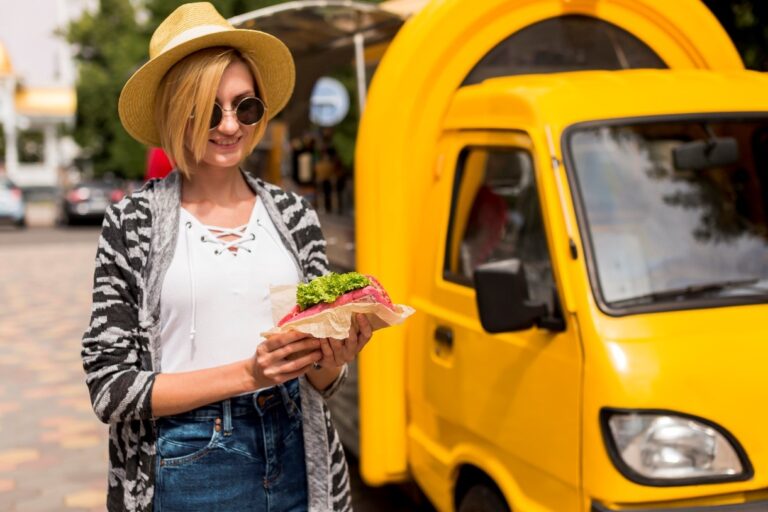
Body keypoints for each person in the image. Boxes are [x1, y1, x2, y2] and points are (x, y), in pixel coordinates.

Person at [80, 3, 371, 511]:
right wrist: (249, 375)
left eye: (246, 106)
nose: (231, 125)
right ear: (177, 110)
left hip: (298, 449)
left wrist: (333, 356)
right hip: (187, 460)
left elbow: (322, 381)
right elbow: (110, 387)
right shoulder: (132, 223)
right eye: (210, 108)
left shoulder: (294, 214)